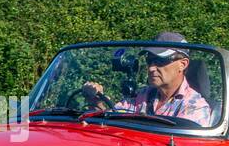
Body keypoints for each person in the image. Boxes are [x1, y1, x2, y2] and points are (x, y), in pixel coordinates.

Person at [83, 31, 213, 126]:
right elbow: (111, 120)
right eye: (149, 61)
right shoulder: (143, 95)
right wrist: (96, 102)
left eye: (160, 61)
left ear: (182, 64)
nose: (151, 68)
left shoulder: (195, 107)